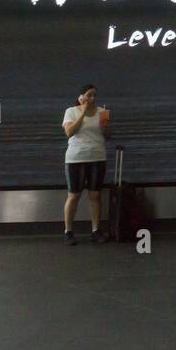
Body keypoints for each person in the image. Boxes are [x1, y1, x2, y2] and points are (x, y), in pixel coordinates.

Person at [62, 83, 110, 245]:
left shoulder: (102, 112)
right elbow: (69, 132)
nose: (92, 98)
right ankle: (68, 231)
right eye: (89, 95)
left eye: (94, 95)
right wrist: (82, 112)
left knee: (95, 195)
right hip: (76, 158)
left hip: (97, 156)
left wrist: (105, 126)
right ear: (81, 97)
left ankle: (95, 230)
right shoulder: (71, 111)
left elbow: (107, 135)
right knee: (74, 195)